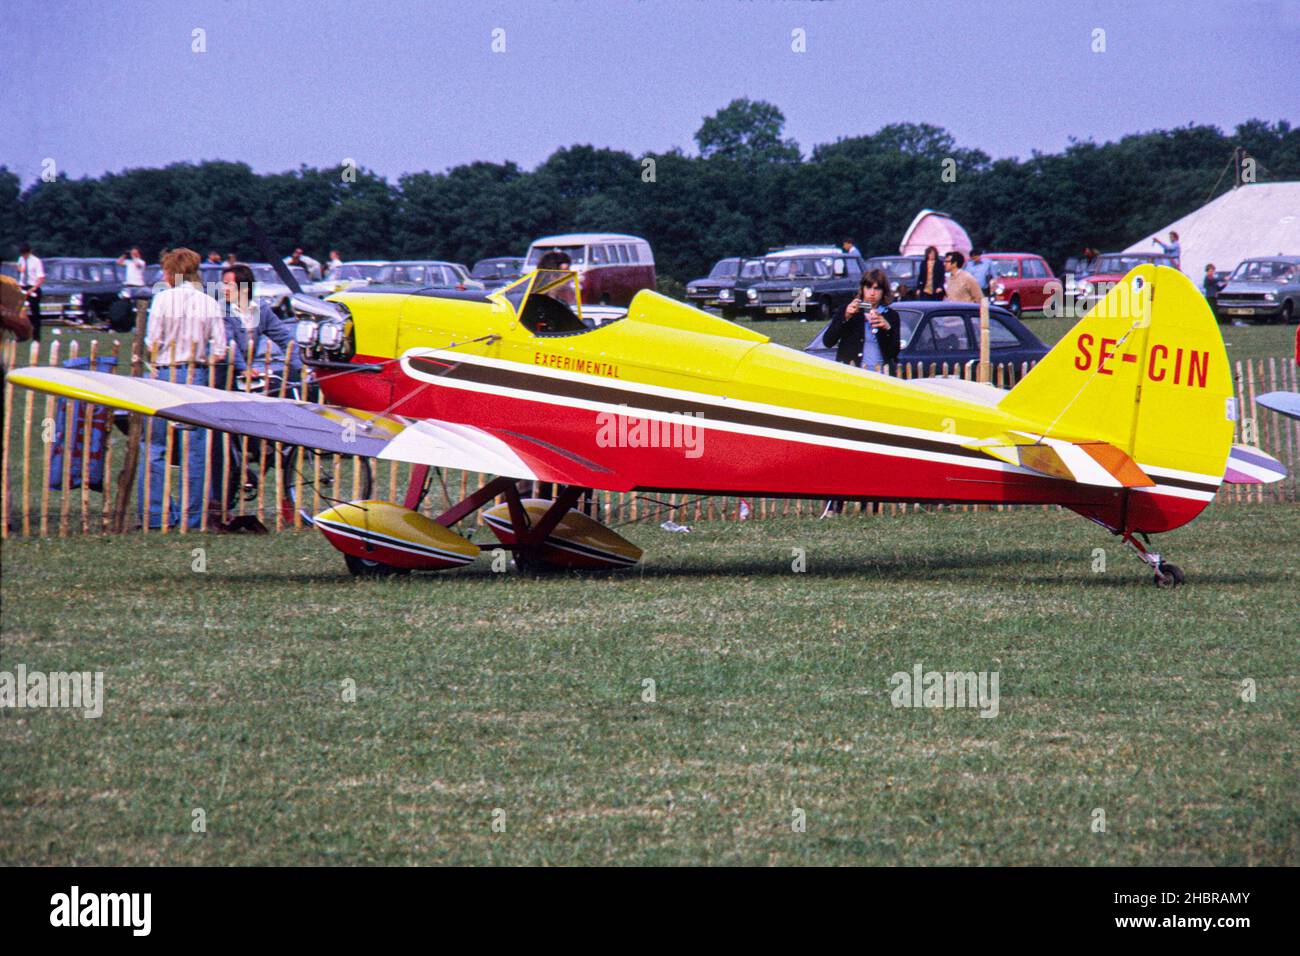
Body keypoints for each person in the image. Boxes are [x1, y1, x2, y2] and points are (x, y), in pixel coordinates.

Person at [139, 247, 227, 530]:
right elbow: (222, 349)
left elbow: (152, 342)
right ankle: (194, 517)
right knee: (196, 450)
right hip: (196, 376)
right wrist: (203, 358)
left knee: (155, 446)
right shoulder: (209, 302)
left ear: (170, 272)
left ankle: (155, 515)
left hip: (166, 373)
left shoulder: (162, 301)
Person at [16, 243, 44, 341]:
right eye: (23, 254)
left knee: (35, 313)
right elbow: (19, 268)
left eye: (26, 254)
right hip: (22, 287)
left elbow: (41, 277)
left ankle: (36, 337)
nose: (24, 256)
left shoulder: (36, 261)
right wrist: (20, 269)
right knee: (20, 312)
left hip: (33, 287)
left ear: (29, 252)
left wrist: (33, 288)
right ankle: (21, 335)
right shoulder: (20, 259)